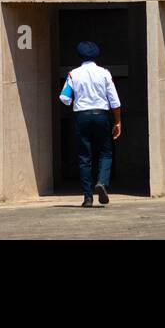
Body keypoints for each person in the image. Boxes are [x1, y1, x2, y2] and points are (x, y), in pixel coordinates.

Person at [58, 40, 122, 207]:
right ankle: (101, 182)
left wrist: (75, 101)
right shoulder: (105, 73)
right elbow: (114, 101)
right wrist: (118, 122)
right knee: (106, 152)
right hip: (101, 115)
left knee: (84, 156)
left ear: (79, 56)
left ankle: (87, 197)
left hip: (82, 116)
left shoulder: (73, 74)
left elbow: (64, 97)